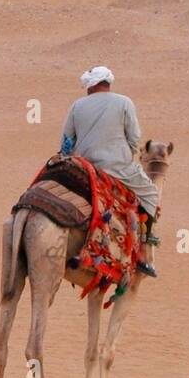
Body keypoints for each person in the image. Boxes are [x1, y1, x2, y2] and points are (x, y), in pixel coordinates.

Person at [59, 65, 159, 277]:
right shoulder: (124, 102)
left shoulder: (77, 106)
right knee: (151, 193)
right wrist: (128, 157)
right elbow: (134, 138)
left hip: (85, 169)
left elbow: (67, 143)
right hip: (118, 168)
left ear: (91, 86)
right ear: (107, 84)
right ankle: (142, 253)